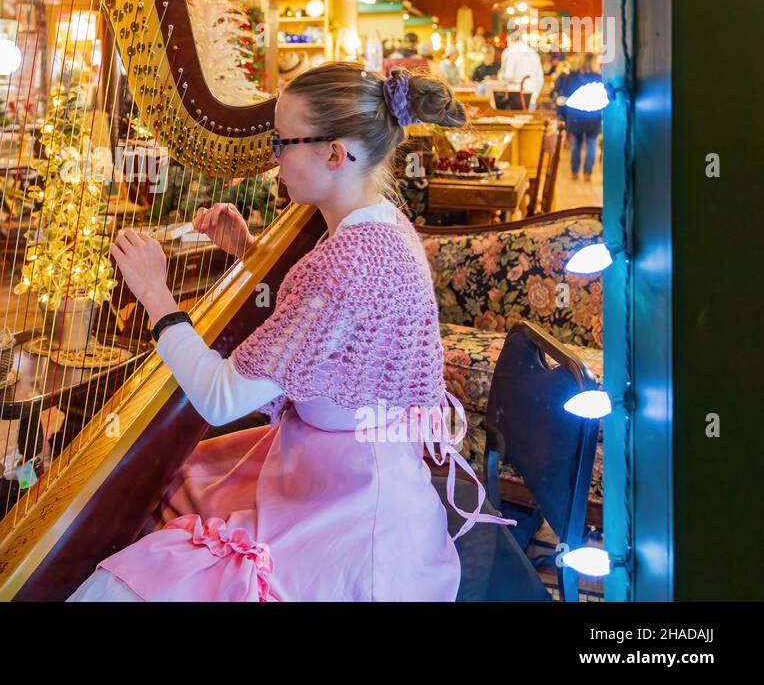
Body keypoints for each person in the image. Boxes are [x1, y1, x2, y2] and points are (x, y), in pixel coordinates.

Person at [67, 65, 515, 602]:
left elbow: (220, 397)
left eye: (283, 141)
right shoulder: (380, 224)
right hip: (338, 462)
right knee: (173, 482)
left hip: (343, 509)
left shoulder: (349, 261)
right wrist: (251, 254)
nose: (273, 157)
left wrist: (155, 294)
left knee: (115, 586)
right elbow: (326, 328)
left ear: (335, 153)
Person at [555, 52, 604, 181]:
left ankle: (574, 172)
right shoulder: (598, 77)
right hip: (593, 114)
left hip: (575, 114)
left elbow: (564, 93)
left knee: (576, 142)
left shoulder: (574, 77)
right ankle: (588, 173)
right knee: (591, 143)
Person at [497, 39, 544, 108]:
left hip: (512, 97)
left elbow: (507, 76)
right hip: (530, 95)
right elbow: (540, 79)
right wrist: (534, 96)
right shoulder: (533, 54)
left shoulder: (508, 53)